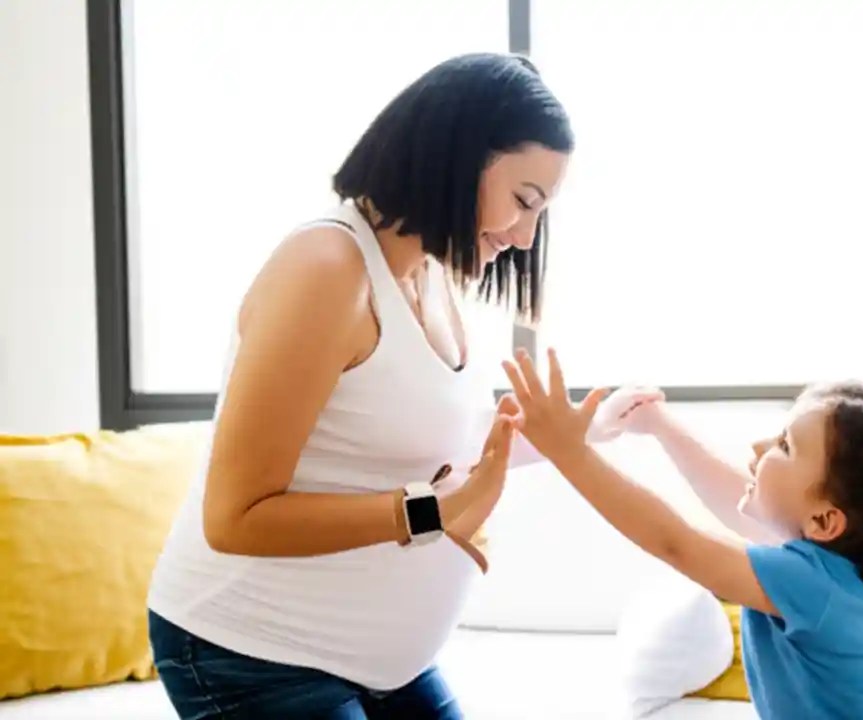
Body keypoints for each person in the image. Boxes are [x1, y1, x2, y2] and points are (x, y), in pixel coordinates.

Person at [145, 53, 657, 719]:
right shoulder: (327, 269)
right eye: (524, 201)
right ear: (457, 156)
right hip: (248, 650)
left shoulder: (434, 274)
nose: (527, 236)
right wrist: (430, 513)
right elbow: (234, 516)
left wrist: (585, 429)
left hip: (380, 663)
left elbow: (451, 442)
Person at [501, 349, 863, 720]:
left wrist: (569, 453)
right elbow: (735, 500)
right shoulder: (828, 569)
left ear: (824, 521)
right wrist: (662, 427)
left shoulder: (809, 583)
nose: (759, 448)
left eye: (785, 446)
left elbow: (676, 542)